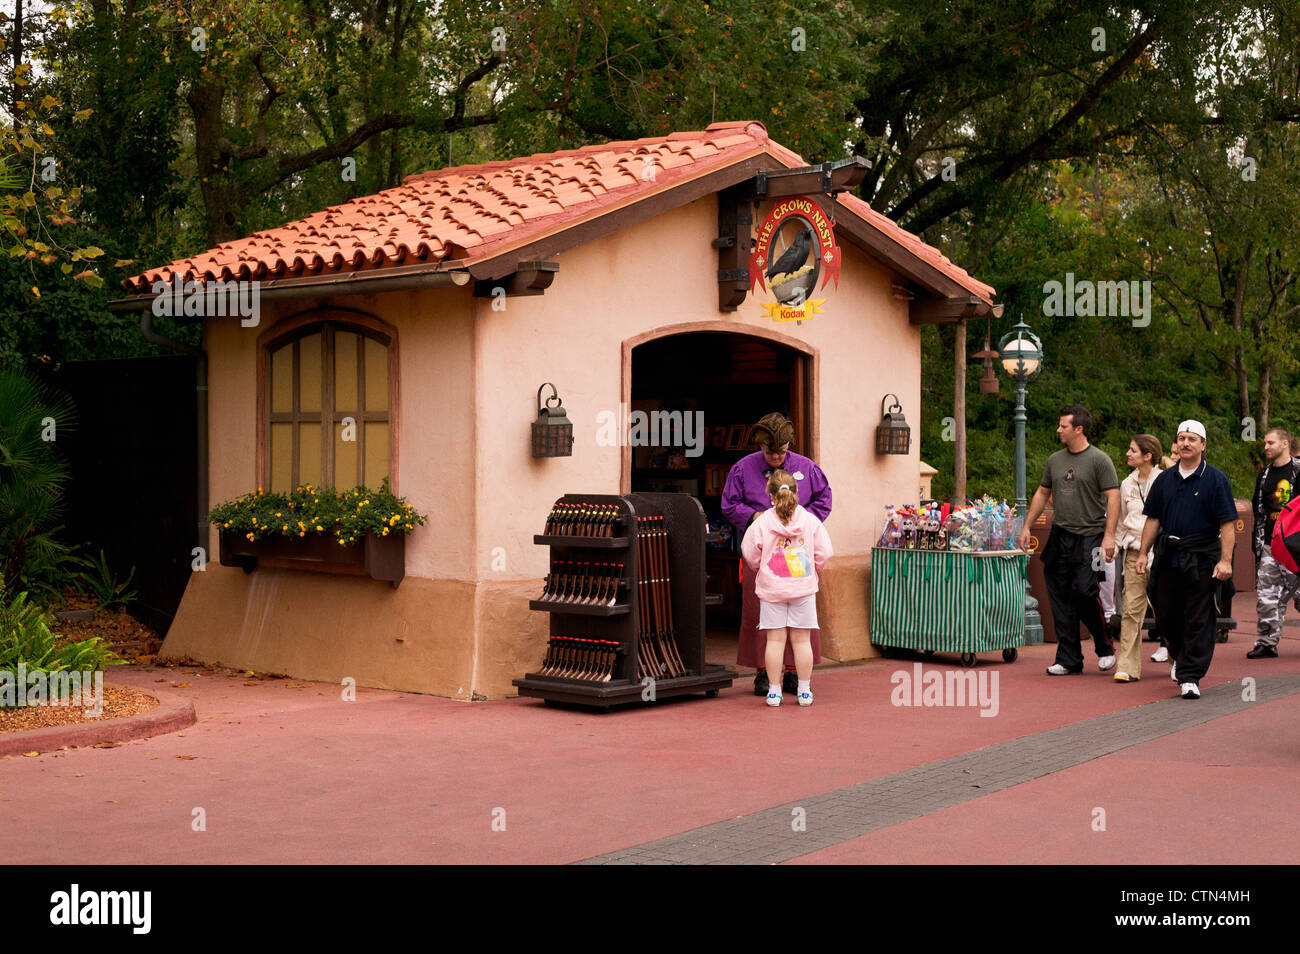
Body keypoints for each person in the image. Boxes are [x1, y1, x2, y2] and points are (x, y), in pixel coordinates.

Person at [722, 413, 832, 696]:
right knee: (759, 615)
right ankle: (763, 674)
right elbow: (729, 504)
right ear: (760, 447)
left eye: (781, 452)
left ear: (789, 447)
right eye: (769, 452)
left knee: (800, 622)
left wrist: (802, 525)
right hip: (762, 556)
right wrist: (755, 517)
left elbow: (824, 499)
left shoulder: (807, 468)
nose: (775, 457)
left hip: (799, 557)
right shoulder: (742, 469)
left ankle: (795, 675)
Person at [1135, 420, 1236, 699]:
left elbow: (1227, 524)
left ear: (1203, 445)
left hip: (1202, 558)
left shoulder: (1216, 479)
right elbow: (1153, 518)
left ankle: (1190, 676)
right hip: (1168, 557)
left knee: (1198, 618)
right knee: (1166, 615)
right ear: (1176, 444)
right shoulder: (1164, 480)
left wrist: (1225, 560)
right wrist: (1143, 553)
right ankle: (1179, 657)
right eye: (1181, 438)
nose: (1186, 443)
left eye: (1192, 439)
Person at [1019, 404, 1120, 676]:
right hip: (1060, 536)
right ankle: (1069, 658)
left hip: (1093, 537)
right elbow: (1042, 493)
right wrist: (1027, 526)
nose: (1058, 430)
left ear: (1079, 429)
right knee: (1060, 596)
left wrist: (1109, 536)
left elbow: (1113, 497)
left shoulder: (1100, 460)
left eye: (1063, 426)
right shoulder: (1055, 460)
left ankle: (1104, 645)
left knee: (1086, 591)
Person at [741, 468, 833, 706]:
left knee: (775, 641)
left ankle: (774, 691)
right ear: (796, 492)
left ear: (770, 495)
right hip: (802, 588)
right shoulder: (810, 520)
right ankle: (803, 691)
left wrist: (760, 569)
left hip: (772, 589)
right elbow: (824, 552)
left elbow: (750, 553)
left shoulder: (762, 522)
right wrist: (815, 569)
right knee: (802, 641)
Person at [1113, 434, 1165, 681]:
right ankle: (1127, 666)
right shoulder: (1126, 484)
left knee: (1168, 609)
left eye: (1132, 450)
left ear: (1148, 455)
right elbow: (1123, 521)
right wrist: (1113, 545)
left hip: (1162, 551)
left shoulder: (1165, 481)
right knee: (1131, 609)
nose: (1127, 453)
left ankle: (1178, 658)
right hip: (1134, 552)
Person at [1247, 426, 1300, 659]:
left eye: (1271, 443)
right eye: (1265, 443)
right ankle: (1267, 642)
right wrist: (1257, 545)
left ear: (1285, 444)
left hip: (1296, 546)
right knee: (1267, 597)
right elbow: (1258, 510)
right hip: (1270, 543)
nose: (1266, 447)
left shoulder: (1298, 470)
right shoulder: (1265, 474)